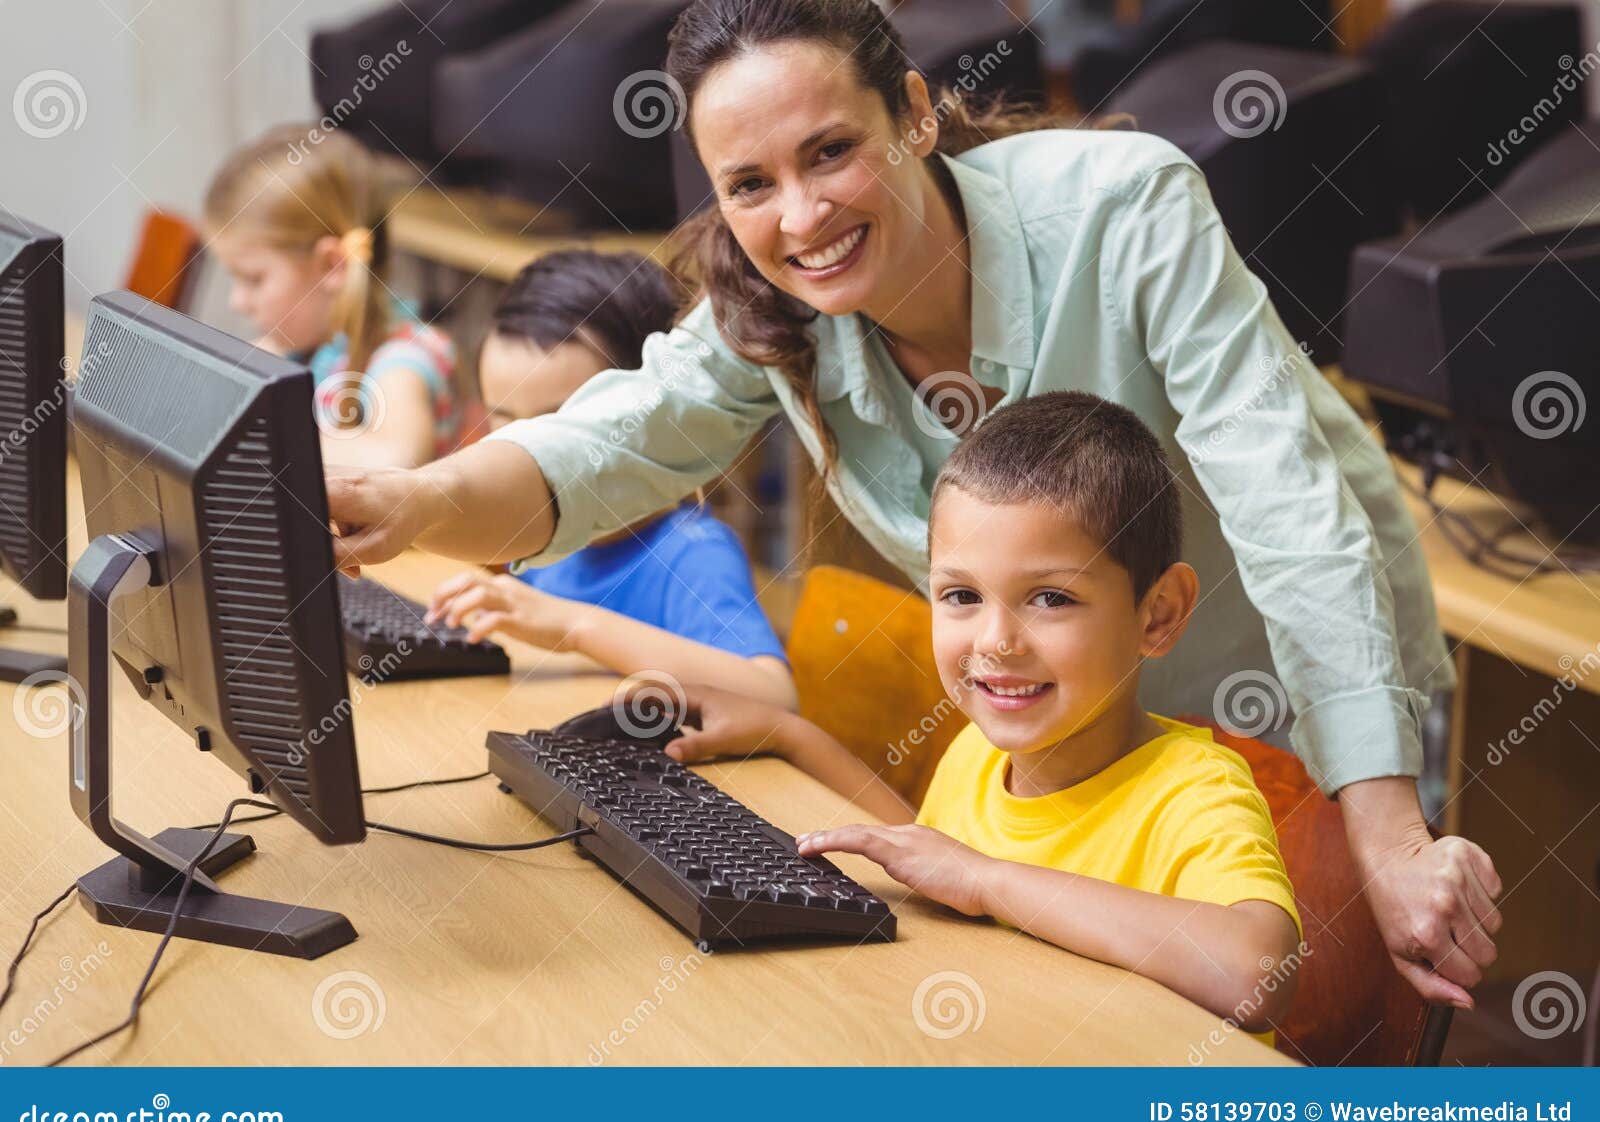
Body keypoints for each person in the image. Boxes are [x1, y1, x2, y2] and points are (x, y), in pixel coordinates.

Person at [322, 0, 1501, 1009]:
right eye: (749, 183)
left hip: (1291, 705)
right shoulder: (770, 311)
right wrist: (414, 496)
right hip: (1080, 748)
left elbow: (1287, 504)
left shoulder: (1122, 206)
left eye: (830, 151)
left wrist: (1389, 830)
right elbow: (600, 448)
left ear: (917, 115)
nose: (800, 216)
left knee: (1266, 1026)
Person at [661, 393, 1302, 1031]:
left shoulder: (1194, 792)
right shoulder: (981, 751)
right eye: (962, 595)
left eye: (1051, 598)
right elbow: (930, 855)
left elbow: (1254, 972)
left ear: (1157, 614)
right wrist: (791, 736)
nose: (997, 641)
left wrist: (987, 880)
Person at [425, 252, 795, 709]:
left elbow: (776, 698)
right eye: (505, 427)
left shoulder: (694, 551)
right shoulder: (542, 540)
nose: (527, 460)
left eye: (558, 434)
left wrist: (573, 627)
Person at [204, 124, 460, 468]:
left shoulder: (399, 363)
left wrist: (263, 433)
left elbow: (396, 458)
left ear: (331, 266)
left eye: (253, 279)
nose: (237, 301)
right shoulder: (299, 347)